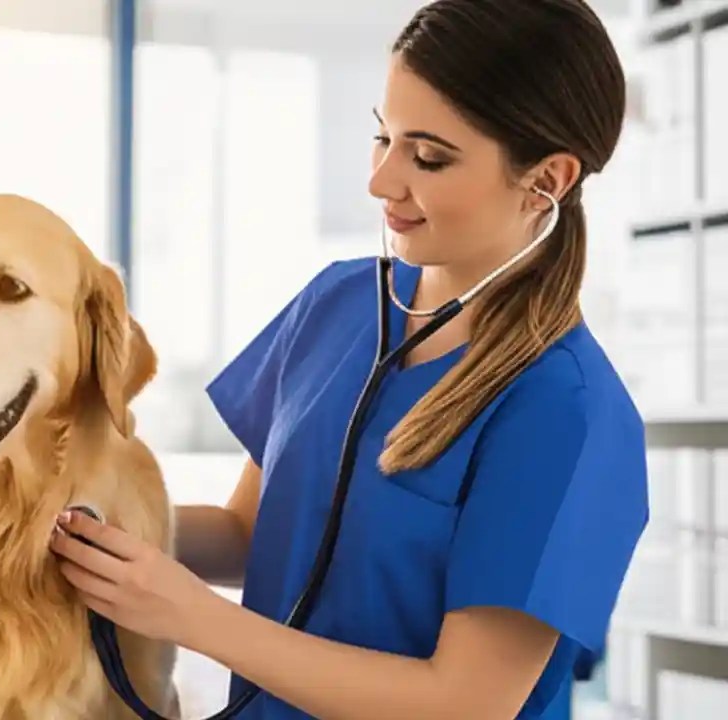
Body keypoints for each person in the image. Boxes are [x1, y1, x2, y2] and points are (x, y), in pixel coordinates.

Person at [48, 1, 650, 718]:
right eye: (382, 136)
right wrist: (73, 521)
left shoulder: (569, 414)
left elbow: (463, 702)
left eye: (428, 156)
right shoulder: (335, 304)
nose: (381, 180)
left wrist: (194, 620)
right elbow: (249, 536)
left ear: (545, 182)